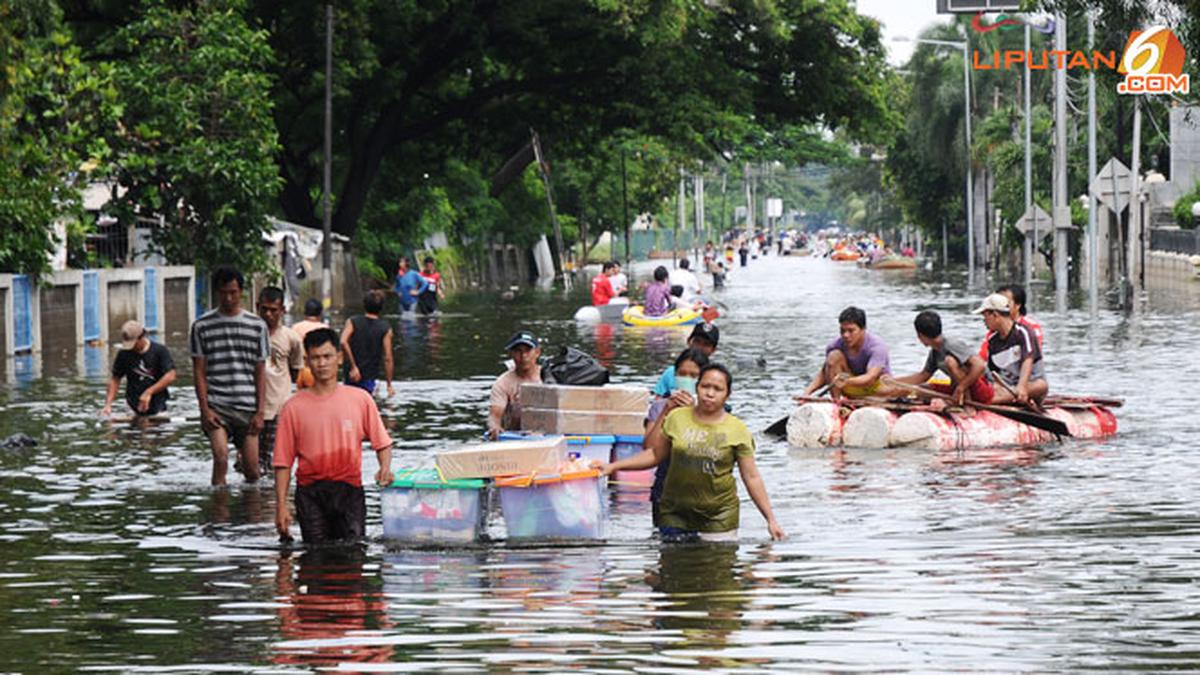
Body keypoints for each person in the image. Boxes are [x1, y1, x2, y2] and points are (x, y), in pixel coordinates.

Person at [599, 364, 785, 542]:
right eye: (705, 386)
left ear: (727, 395)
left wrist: (770, 519)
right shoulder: (676, 418)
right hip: (674, 511)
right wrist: (613, 466)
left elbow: (751, 477)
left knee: (717, 562)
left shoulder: (738, 430)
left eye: (717, 389)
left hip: (718, 515)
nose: (710, 393)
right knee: (672, 561)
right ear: (697, 388)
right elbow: (655, 454)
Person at [273, 328, 394, 545]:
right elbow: (283, 461)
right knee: (315, 553)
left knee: (353, 550)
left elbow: (382, 442)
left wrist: (384, 467)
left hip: (349, 489)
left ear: (339, 358)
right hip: (310, 493)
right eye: (315, 358)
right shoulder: (293, 407)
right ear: (306, 362)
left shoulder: (360, 400)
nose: (322, 363)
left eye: (327, 356)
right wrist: (281, 506)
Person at [191, 266, 269, 485]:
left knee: (252, 471)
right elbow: (199, 371)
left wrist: (260, 411)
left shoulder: (257, 326)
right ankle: (218, 505)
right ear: (217, 292)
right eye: (224, 293)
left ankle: (250, 506)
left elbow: (260, 371)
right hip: (218, 405)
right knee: (221, 458)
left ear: (241, 291)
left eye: (233, 292)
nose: (228, 298)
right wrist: (205, 410)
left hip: (247, 406)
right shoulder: (201, 326)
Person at [646, 348, 709, 527]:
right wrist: (667, 410)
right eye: (682, 374)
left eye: (693, 375)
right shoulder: (660, 407)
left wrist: (693, 411)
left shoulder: (714, 410)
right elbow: (650, 447)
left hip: (702, 491)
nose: (687, 379)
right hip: (665, 488)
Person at [886, 310, 993, 406]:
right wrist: (891, 381)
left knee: (950, 361)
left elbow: (980, 365)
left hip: (982, 391)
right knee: (922, 389)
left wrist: (961, 388)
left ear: (920, 335)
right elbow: (923, 376)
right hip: (957, 390)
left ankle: (968, 405)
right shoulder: (935, 351)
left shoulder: (951, 344)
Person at [257, 286, 305, 472]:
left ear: (282, 310)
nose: (268, 314)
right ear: (257, 307)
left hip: (279, 406)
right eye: (264, 309)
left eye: (273, 310)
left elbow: (296, 371)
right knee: (248, 461)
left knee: (273, 459)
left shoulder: (291, 338)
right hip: (252, 406)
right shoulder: (250, 333)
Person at [802, 306, 895, 399]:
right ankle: (836, 401)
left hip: (875, 389)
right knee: (834, 356)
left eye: (851, 331)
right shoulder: (834, 345)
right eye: (842, 331)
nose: (845, 335)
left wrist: (847, 381)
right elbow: (824, 372)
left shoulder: (877, 347)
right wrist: (807, 393)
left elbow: (870, 377)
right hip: (851, 388)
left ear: (863, 329)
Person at [974, 293, 1048, 405]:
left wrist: (1022, 387)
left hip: (1030, 384)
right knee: (994, 389)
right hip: (1006, 387)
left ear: (995, 315)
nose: (984, 321)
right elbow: (993, 373)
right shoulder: (992, 341)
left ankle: (990, 401)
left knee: (1041, 386)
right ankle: (997, 399)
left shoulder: (1023, 332)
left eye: (985, 316)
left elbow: (1027, 360)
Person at [101, 320, 176, 418]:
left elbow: (171, 375)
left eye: (134, 343)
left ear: (141, 337)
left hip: (158, 404)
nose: (131, 348)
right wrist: (108, 405)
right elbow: (115, 379)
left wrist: (149, 392)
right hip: (132, 405)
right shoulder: (124, 354)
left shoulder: (159, 351)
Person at [486, 331, 542, 439]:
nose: (523, 356)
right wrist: (494, 427)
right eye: (518, 351)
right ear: (511, 354)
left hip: (548, 435)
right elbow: (494, 415)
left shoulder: (550, 377)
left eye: (527, 350)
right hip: (515, 436)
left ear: (537, 352)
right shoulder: (503, 383)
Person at [340, 290, 395, 399]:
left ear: (364, 305)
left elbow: (343, 341)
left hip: (351, 375)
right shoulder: (385, 328)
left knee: (349, 400)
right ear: (381, 307)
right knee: (366, 401)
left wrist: (353, 366)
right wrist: (389, 385)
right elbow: (388, 358)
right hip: (369, 376)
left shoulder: (352, 322)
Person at [978, 283, 1044, 359]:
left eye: (1005, 303)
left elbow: (1032, 356)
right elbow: (983, 357)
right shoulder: (994, 332)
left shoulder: (1031, 327)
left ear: (1017, 305)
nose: (1000, 306)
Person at [653, 322, 719, 397]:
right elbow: (657, 400)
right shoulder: (670, 373)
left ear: (713, 350)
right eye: (697, 341)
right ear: (689, 341)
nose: (700, 347)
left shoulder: (716, 377)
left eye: (706, 344)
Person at [291, 299, 328, 390]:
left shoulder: (296, 327)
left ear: (305, 312)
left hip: (300, 370)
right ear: (320, 313)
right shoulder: (324, 328)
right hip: (317, 370)